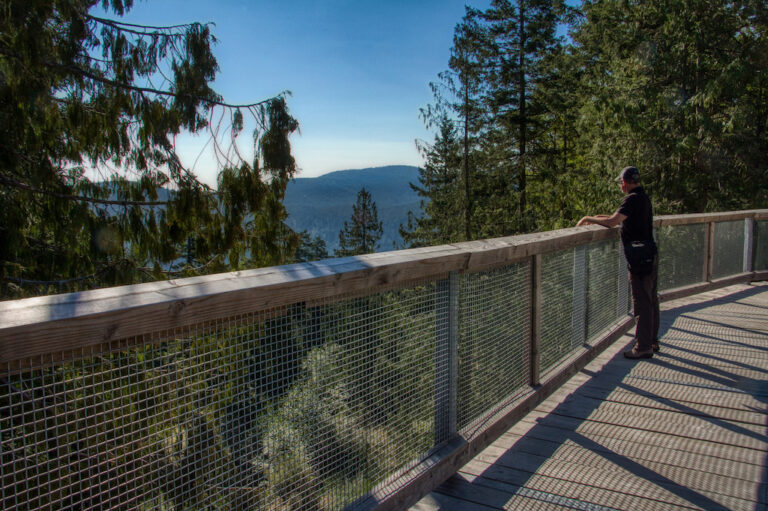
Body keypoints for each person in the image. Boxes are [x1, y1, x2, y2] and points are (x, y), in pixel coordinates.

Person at [577, 166, 660, 359]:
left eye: (622, 182)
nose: (621, 185)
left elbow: (613, 222)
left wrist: (587, 218)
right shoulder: (643, 198)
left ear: (627, 182)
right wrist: (599, 218)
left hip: (639, 258)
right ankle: (652, 340)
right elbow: (618, 219)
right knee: (651, 298)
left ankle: (643, 347)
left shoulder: (632, 199)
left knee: (642, 302)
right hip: (650, 253)